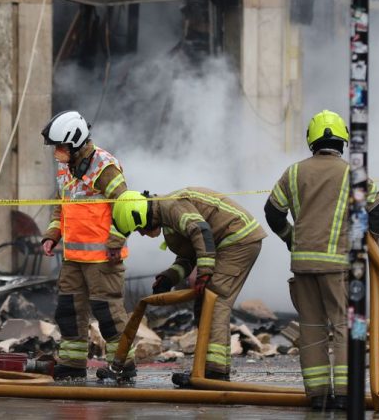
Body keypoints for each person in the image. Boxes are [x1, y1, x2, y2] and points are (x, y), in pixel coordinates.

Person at [264, 109, 379, 410]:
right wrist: (366, 243)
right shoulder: (353, 173)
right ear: (343, 140)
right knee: (346, 326)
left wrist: (290, 238)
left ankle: (318, 395)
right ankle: (346, 393)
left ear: (312, 140)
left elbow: (272, 211)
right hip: (339, 266)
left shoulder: (293, 172)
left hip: (303, 265)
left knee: (311, 327)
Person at [112, 187, 266, 386]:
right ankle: (208, 368)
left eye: (138, 229)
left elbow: (200, 230)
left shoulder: (170, 206)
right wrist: (169, 277)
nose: (141, 234)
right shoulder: (167, 219)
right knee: (205, 303)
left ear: (140, 216)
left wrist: (205, 271)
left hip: (237, 240)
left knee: (215, 300)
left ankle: (214, 374)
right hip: (230, 241)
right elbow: (188, 256)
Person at [40, 110, 135, 381]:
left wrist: (117, 240)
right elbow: (61, 208)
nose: (56, 152)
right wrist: (51, 236)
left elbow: (126, 206)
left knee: (108, 314)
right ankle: (72, 365)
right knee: (68, 312)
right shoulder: (64, 168)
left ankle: (123, 366)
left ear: (74, 141)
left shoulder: (105, 166)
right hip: (73, 258)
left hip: (104, 258)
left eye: (60, 146)